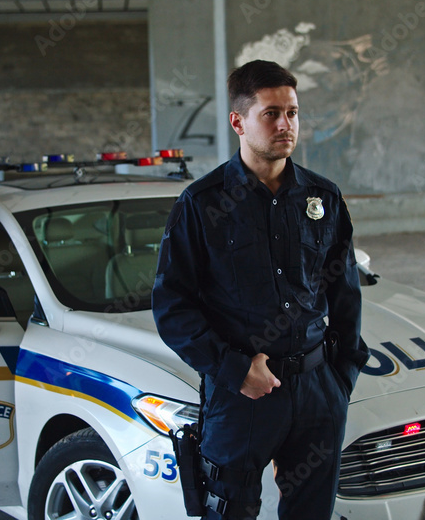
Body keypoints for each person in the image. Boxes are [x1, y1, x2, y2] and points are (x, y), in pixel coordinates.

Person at [152, 60, 367, 519]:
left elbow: (344, 292)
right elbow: (172, 306)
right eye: (271, 113)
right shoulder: (203, 204)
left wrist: (341, 376)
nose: (285, 125)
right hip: (241, 398)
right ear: (238, 121)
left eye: (292, 112)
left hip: (316, 392)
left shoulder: (322, 198)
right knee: (229, 512)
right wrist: (232, 370)